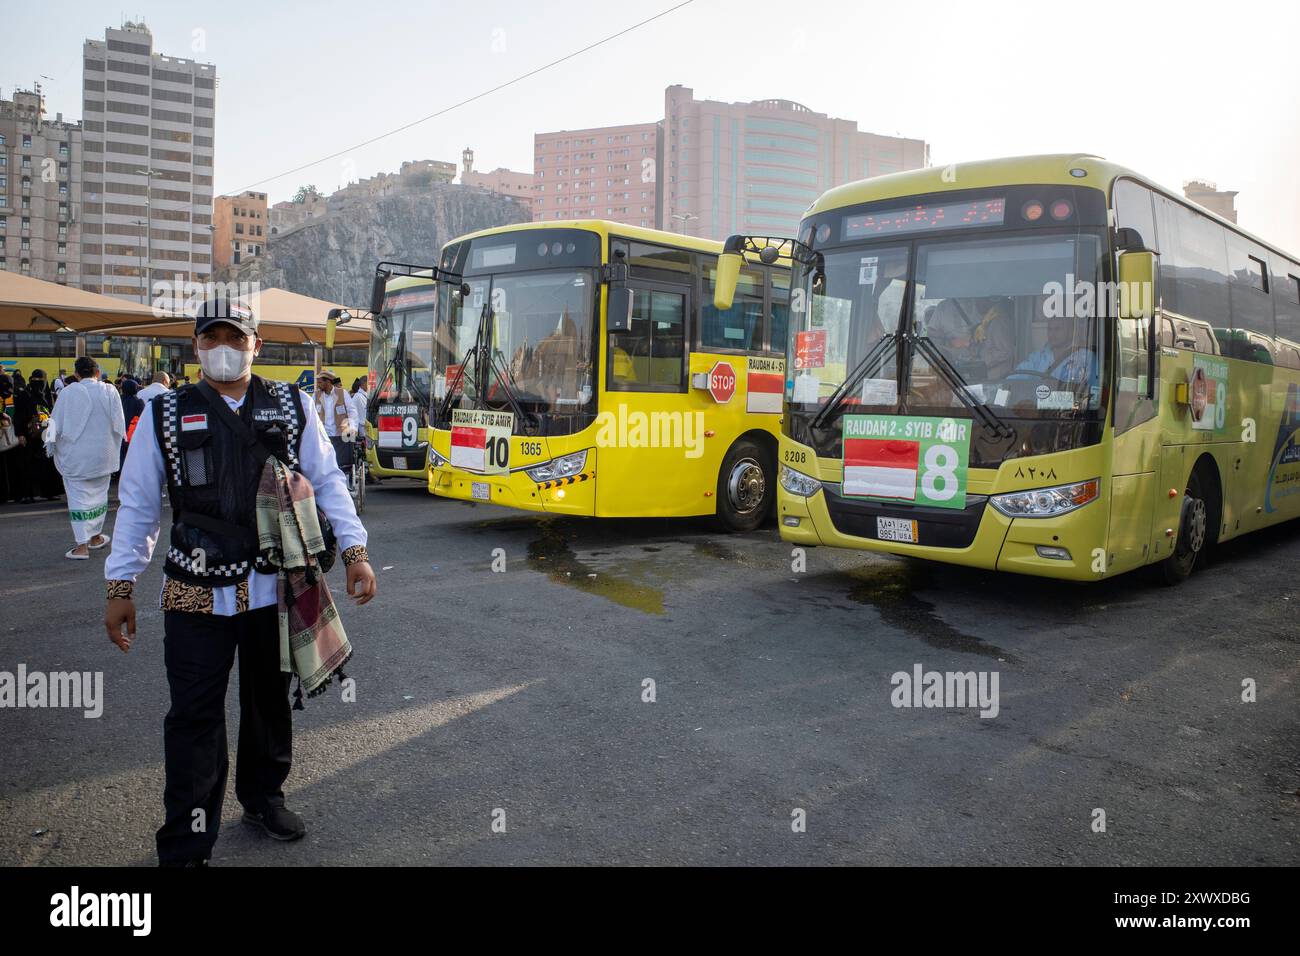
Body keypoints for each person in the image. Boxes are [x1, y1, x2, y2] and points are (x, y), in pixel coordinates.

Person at [103, 297, 376, 867]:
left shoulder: (292, 404)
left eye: (236, 337)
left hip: (272, 585)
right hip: (193, 587)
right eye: (212, 338)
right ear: (196, 346)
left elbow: (327, 482)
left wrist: (355, 552)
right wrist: (120, 585)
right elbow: (136, 505)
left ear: (256, 344)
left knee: (268, 701)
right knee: (193, 716)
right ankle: (187, 839)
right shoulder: (164, 413)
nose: (223, 348)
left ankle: (263, 798)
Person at [47, 356, 124, 559]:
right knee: (99, 497)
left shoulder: (68, 393)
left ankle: (82, 547)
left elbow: (55, 423)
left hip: (77, 458)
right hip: (103, 456)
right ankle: (96, 537)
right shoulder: (110, 390)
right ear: (97, 372)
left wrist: (51, 442)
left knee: (78, 499)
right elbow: (119, 423)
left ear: (76, 374)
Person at [1011, 303, 1100, 388]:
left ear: (1071, 331)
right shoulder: (1037, 357)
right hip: (1037, 403)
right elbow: (1015, 378)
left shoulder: (1086, 358)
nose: (1052, 334)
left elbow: (1095, 389)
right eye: (1050, 329)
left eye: (1058, 329)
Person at [12, 369, 63, 503]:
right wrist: (20, 434)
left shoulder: (49, 395)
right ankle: (28, 494)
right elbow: (18, 416)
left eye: (40, 381)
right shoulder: (24, 395)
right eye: (34, 381)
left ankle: (49, 492)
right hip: (29, 435)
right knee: (28, 464)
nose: (38, 384)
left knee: (47, 464)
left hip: (47, 434)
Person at [313, 369, 358, 476]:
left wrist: (353, 427)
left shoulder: (342, 393)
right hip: (324, 435)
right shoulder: (316, 395)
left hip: (341, 435)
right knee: (325, 463)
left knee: (341, 463)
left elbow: (352, 411)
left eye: (320, 382)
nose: (318, 385)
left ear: (328, 382)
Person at [119, 378, 144, 468]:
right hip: (132, 433)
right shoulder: (138, 402)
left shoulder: (119, 400)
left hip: (119, 432)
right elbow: (142, 418)